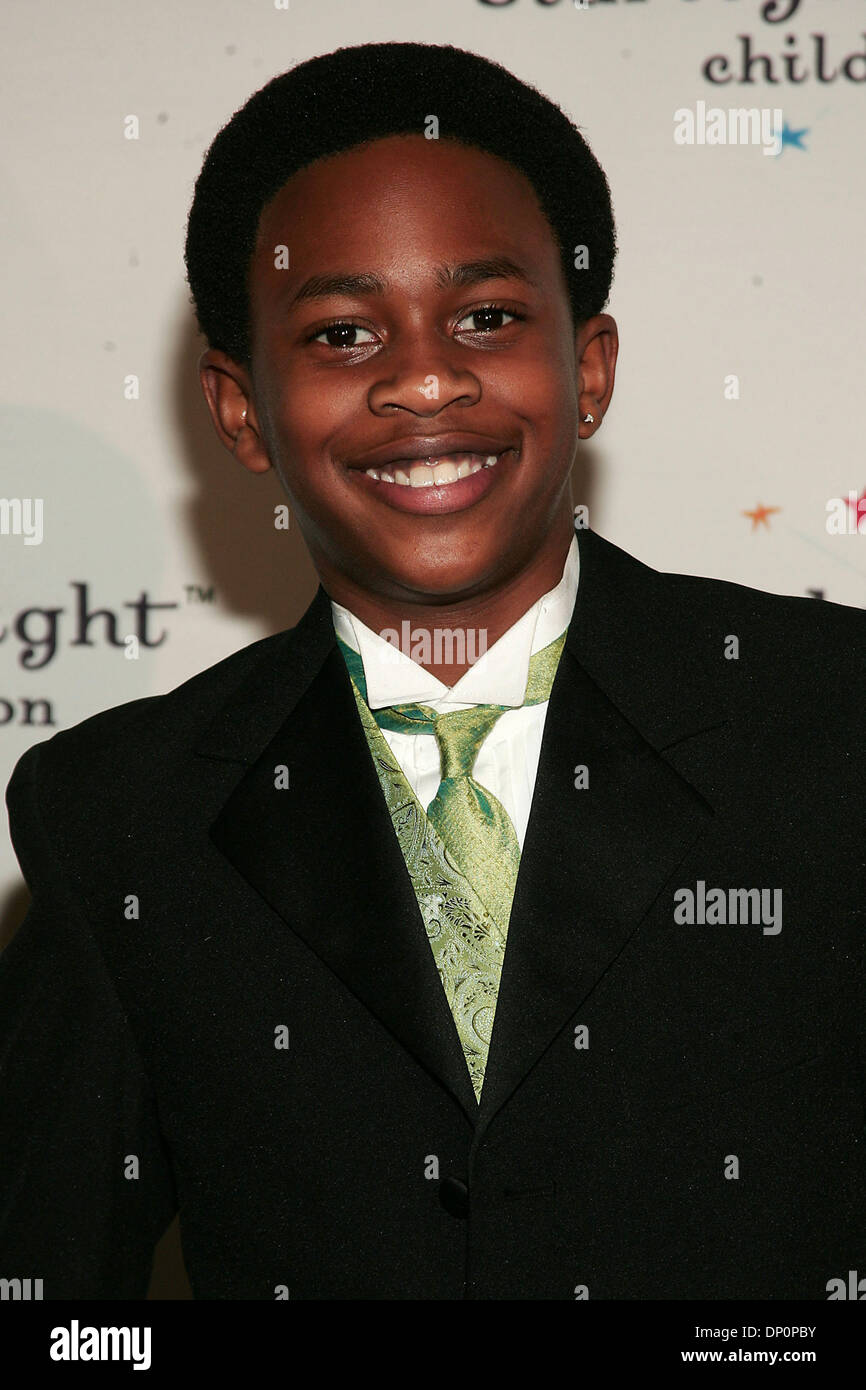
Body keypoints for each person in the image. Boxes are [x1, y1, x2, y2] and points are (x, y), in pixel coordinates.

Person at [2, 41, 864, 1301]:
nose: (422, 377)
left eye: (487, 318)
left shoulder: (831, 721)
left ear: (590, 370)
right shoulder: (123, 817)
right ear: (240, 414)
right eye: (344, 332)